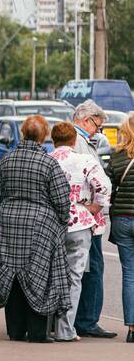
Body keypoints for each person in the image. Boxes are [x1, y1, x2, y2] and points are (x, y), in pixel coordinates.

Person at [0, 115, 71, 342]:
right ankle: (37, 332)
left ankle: (15, 330)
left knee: (11, 275)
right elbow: (62, 201)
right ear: (44, 136)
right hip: (40, 227)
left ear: (22, 133)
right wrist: (61, 222)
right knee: (39, 277)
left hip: (9, 224)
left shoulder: (7, 159)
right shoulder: (49, 164)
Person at [48, 120, 111, 341]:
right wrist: (95, 207)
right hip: (79, 224)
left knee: (51, 276)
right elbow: (104, 186)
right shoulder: (84, 160)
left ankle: (48, 326)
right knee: (74, 277)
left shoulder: (47, 160)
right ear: (74, 140)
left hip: (52, 224)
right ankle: (66, 329)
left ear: (53, 140)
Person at [72, 99, 117, 338]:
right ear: (86, 120)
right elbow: (94, 181)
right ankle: (87, 320)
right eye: (97, 126)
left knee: (84, 268)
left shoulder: (78, 140)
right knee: (93, 268)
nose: (98, 132)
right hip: (87, 219)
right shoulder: (80, 143)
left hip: (79, 218)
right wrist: (96, 206)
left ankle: (81, 319)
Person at [105, 113, 134, 342]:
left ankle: (132, 329)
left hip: (122, 220)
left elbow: (106, 186)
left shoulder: (116, 157)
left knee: (129, 274)